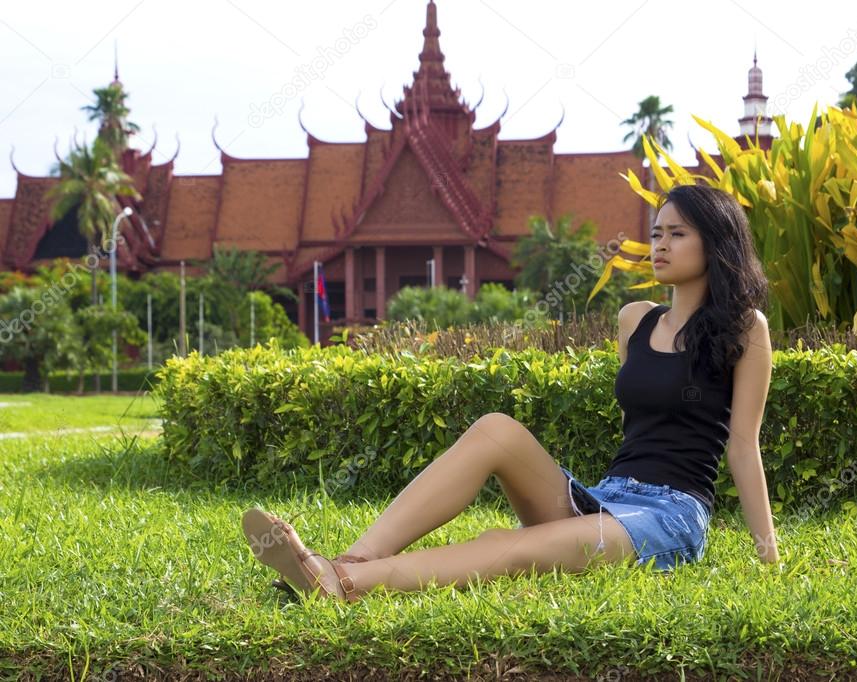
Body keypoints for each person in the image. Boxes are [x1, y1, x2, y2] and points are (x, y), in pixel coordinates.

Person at [242, 183, 779, 603]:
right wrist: (596, 504)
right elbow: (641, 426)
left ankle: (340, 583)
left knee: (506, 548)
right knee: (495, 429)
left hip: (667, 519)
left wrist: (768, 555)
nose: (660, 244)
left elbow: (742, 446)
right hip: (605, 498)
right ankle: (351, 559)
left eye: (677, 233)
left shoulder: (744, 329)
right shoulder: (635, 321)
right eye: (656, 232)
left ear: (716, 241)